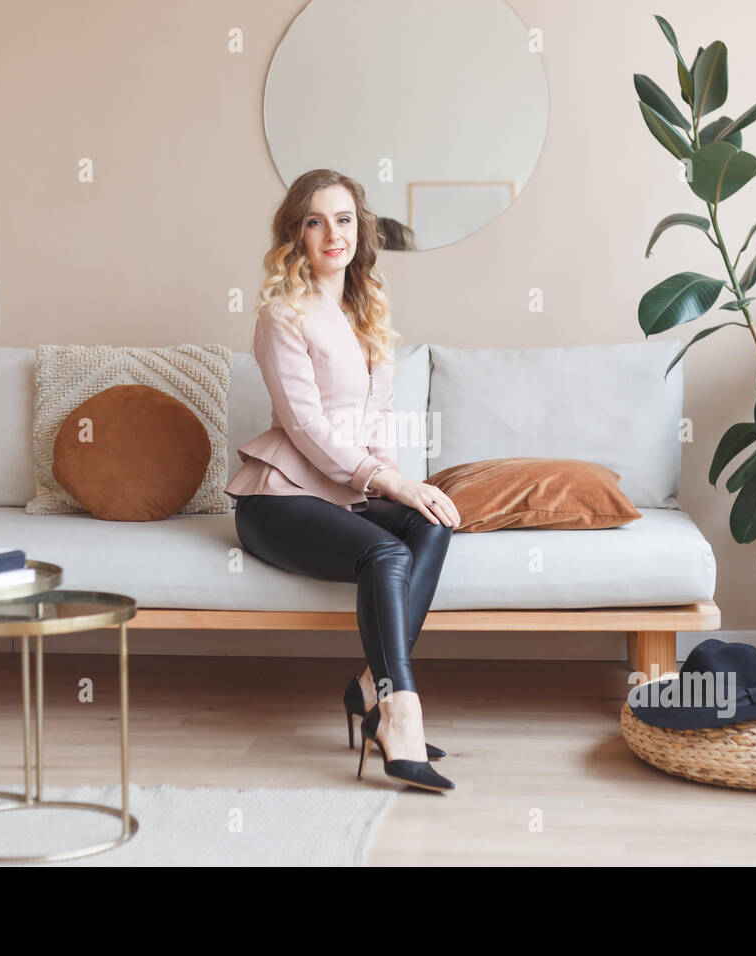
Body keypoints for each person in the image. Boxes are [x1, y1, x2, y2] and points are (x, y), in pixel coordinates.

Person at [225, 169, 460, 793]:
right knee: (384, 551)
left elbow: (376, 423)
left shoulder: (366, 312)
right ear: (296, 234)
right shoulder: (283, 315)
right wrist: (394, 482)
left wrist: (400, 487)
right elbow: (305, 428)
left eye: (345, 219)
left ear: (362, 228)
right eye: (316, 220)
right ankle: (399, 710)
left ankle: (366, 689)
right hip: (276, 499)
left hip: (344, 492)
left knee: (428, 525)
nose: (334, 233)